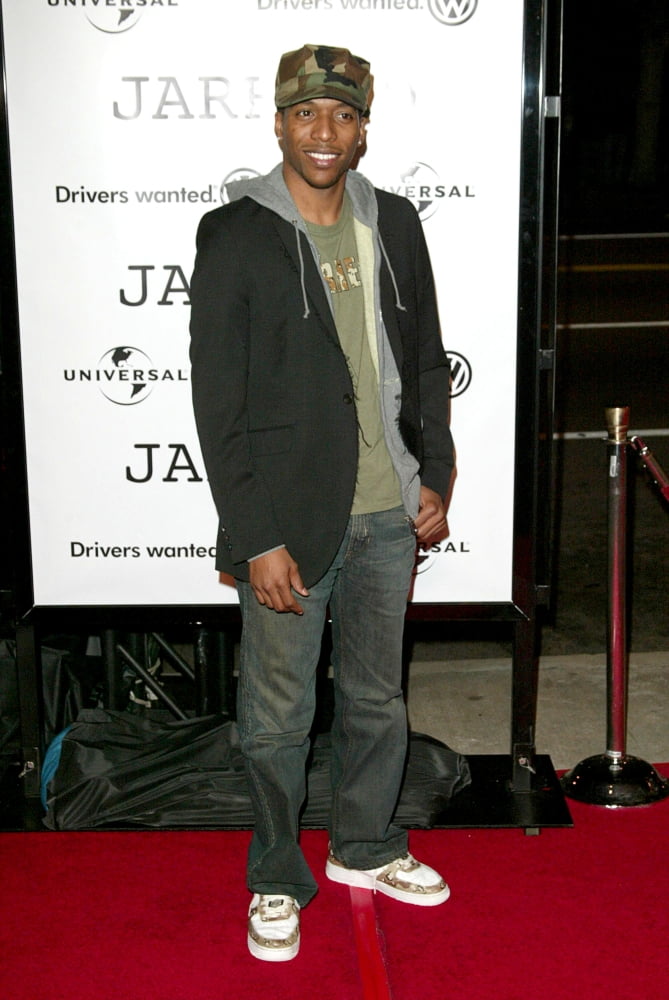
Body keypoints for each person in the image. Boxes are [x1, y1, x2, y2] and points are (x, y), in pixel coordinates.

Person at [189, 43, 455, 962]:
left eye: (342, 114)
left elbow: (423, 364)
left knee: (378, 698)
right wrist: (253, 535)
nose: (324, 132)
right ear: (277, 122)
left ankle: (366, 846)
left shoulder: (399, 224)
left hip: (389, 513)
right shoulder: (234, 236)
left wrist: (436, 476)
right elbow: (216, 404)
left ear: (361, 127)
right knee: (276, 716)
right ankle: (273, 876)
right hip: (290, 525)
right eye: (307, 114)